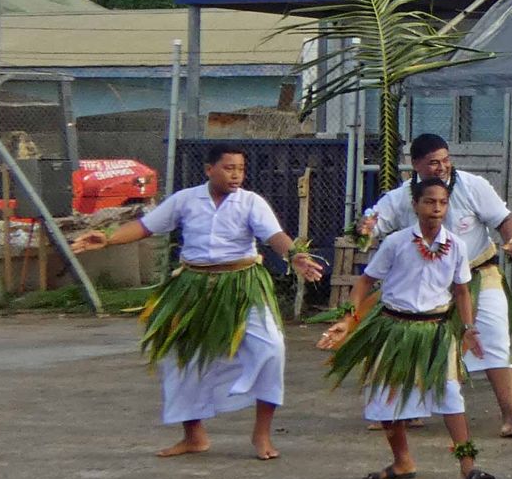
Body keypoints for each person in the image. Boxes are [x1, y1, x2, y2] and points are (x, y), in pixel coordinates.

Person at [73, 147, 325, 459]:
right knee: (178, 355)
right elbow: (146, 226)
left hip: (242, 285)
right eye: (229, 168)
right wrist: (108, 237)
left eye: (241, 169)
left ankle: (261, 434)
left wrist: (294, 255)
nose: (236, 175)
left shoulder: (251, 202)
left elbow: (275, 236)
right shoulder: (185, 200)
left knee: (272, 348)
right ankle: (193, 436)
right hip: (192, 287)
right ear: (209, 169)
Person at [359, 133, 512, 441]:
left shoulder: (473, 186)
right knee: (410, 338)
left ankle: (511, 416)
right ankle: (401, 409)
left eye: (446, 160)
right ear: (415, 164)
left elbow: (504, 219)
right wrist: (364, 229)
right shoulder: (401, 197)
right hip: (427, 283)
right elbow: (372, 224)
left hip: (479, 273)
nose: (442, 167)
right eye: (433, 162)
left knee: (494, 336)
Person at [322, 175, 493, 479]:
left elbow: (462, 291)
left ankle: (468, 467)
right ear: (415, 205)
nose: (436, 208)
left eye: (442, 203)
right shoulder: (397, 243)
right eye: (429, 202)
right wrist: (348, 319)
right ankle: (402, 461)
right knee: (386, 398)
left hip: (436, 331)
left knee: (451, 396)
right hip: (394, 328)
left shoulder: (456, 246)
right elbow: (365, 282)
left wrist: (469, 328)